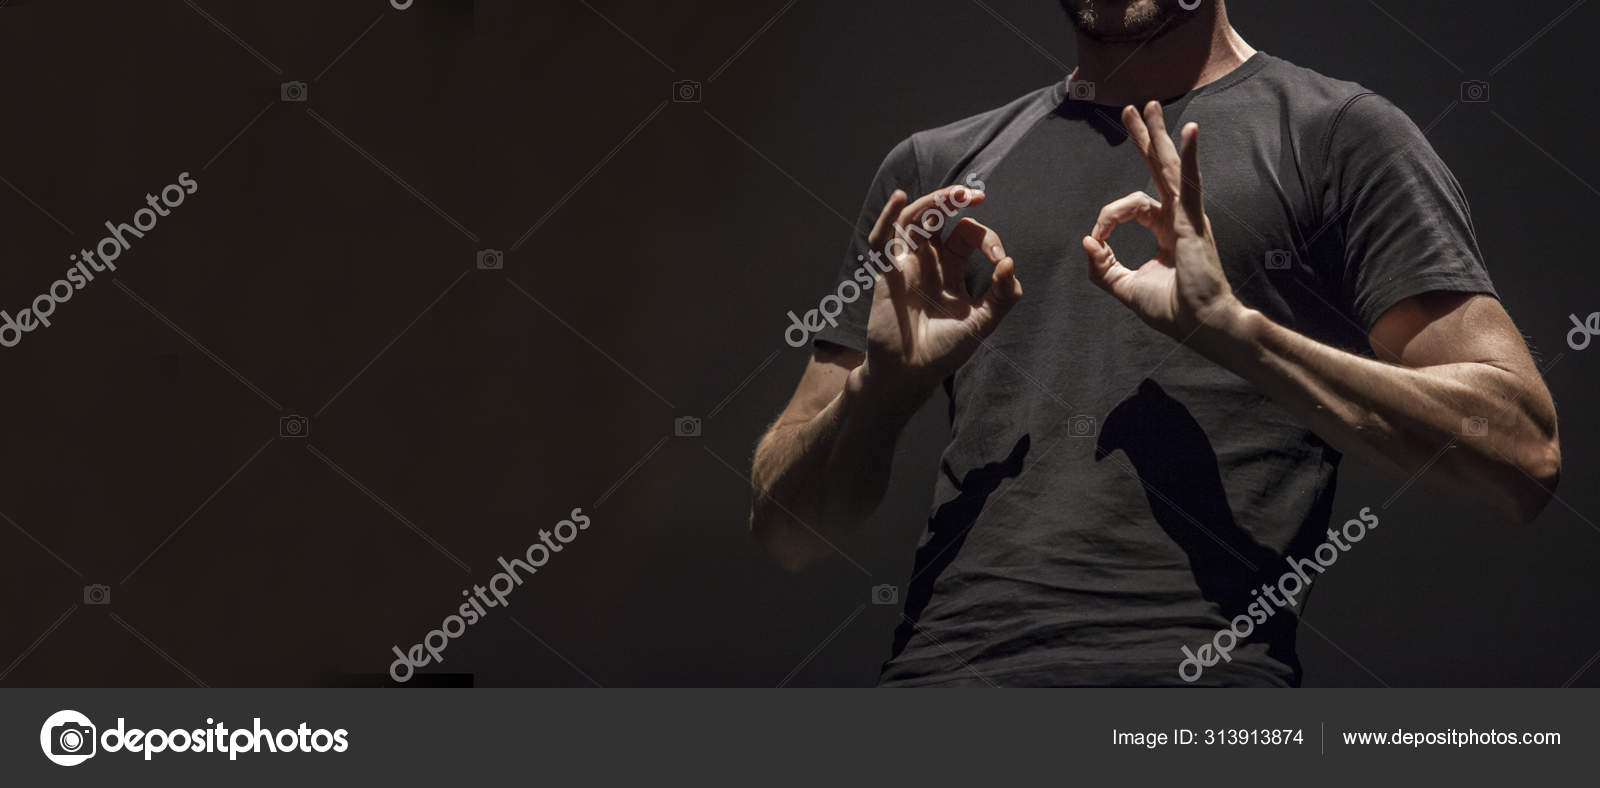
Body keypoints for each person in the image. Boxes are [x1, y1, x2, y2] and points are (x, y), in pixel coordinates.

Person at [748, 0, 1560, 686]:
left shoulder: (1337, 136)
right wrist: (881, 392)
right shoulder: (938, 166)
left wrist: (1237, 333)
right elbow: (785, 532)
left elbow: (1520, 452)